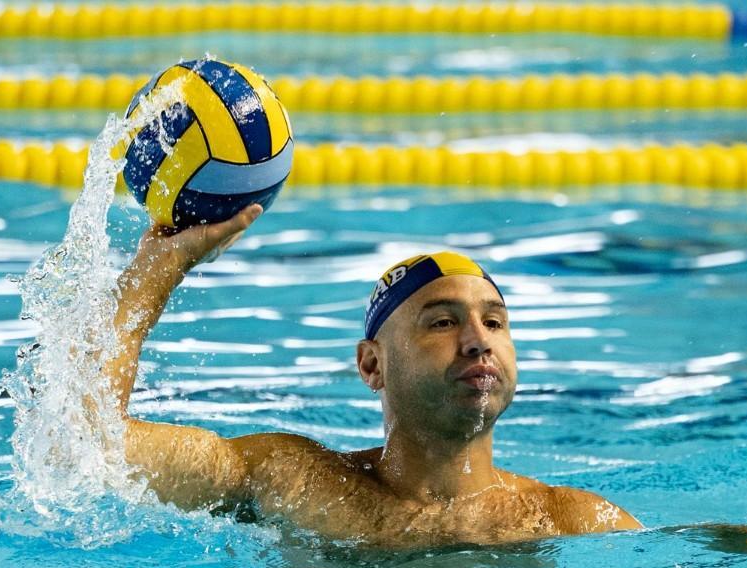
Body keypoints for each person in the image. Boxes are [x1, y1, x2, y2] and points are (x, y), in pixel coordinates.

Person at [106, 204, 641, 547]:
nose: (478, 339)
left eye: (494, 322)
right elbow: (86, 440)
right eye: (443, 321)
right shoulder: (293, 481)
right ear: (371, 365)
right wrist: (158, 269)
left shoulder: (573, 520)